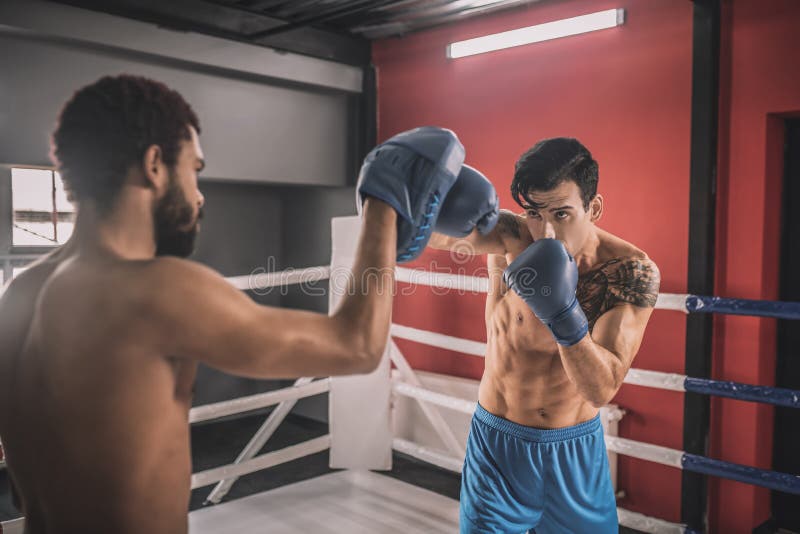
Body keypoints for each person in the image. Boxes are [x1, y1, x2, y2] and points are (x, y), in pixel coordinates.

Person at [0, 75, 486, 533]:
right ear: (153, 165)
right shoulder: (155, 290)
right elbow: (356, 345)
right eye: (194, 171)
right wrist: (385, 203)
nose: (199, 196)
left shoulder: (20, 294)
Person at [429, 137, 661, 533]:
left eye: (563, 213)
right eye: (535, 213)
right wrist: (403, 202)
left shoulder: (629, 273)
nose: (547, 231)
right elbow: (438, 236)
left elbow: (600, 389)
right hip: (498, 449)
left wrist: (563, 315)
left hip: (572, 455)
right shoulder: (510, 236)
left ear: (595, 207)